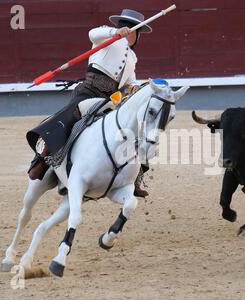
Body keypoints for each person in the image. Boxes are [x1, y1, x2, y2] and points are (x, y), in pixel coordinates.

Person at [27, 9, 152, 197]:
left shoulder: (133, 58)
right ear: (121, 26)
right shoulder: (106, 38)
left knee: (134, 129)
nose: (132, 34)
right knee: (69, 117)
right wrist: (114, 33)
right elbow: (92, 33)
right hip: (89, 91)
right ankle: (42, 160)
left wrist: (135, 88)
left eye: (136, 31)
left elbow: (129, 82)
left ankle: (134, 177)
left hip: (112, 99)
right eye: (130, 29)